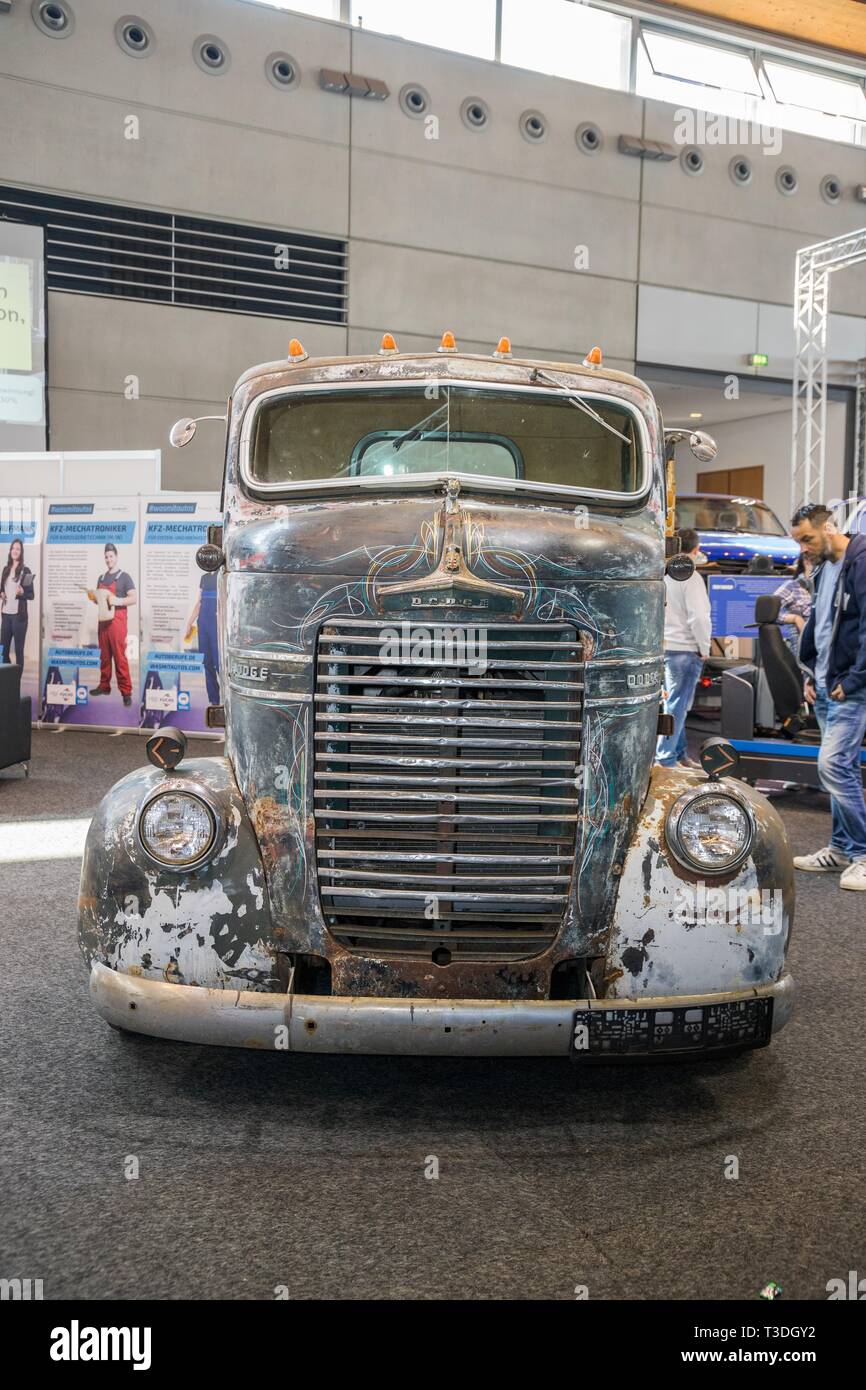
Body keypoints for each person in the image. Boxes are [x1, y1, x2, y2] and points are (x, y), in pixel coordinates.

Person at [791, 503, 866, 890]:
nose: (803, 547)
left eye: (808, 538)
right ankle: (840, 848)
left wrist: (854, 680)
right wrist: (810, 674)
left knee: (833, 766)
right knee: (843, 771)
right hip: (823, 683)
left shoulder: (861, 560)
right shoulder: (823, 568)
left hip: (851, 687)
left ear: (829, 527)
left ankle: (863, 853)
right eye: (799, 541)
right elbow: (820, 626)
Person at [656, 528, 711, 769]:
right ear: (696, 550)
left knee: (675, 704)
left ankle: (679, 755)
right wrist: (705, 646)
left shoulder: (663, 574)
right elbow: (699, 617)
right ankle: (666, 759)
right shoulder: (692, 577)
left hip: (665, 648)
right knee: (678, 706)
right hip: (686, 649)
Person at [89, 542, 137, 707]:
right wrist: (93, 598)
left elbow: (134, 598)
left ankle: (126, 692)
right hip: (103, 622)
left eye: (111, 556)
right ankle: (104, 686)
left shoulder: (124, 577)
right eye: (106, 557)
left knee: (119, 656)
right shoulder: (101, 578)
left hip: (117, 622)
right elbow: (99, 601)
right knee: (104, 656)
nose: (109, 559)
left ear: (116, 557)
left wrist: (119, 600)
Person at [185, 571, 221, 707]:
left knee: (219, 664)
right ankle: (214, 700)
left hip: (216, 625)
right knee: (207, 663)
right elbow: (199, 603)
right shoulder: (204, 578)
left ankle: (227, 698)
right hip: (203, 624)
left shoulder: (222, 575)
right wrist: (190, 622)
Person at [0, 537, 35, 668]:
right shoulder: (5, 569)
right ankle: (9, 678)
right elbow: (1, 589)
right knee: (3, 652)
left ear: (21, 552)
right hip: (6, 615)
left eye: (18, 549)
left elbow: (31, 595)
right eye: (13, 548)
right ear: (10, 551)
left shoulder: (26, 571)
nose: (15, 551)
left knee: (19, 652)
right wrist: (2, 593)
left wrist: (21, 594)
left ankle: (16, 683)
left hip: (19, 617)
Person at [774, 553, 814, 659]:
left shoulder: (826, 586)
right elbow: (769, 612)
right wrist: (795, 618)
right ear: (805, 563)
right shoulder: (792, 586)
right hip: (803, 648)